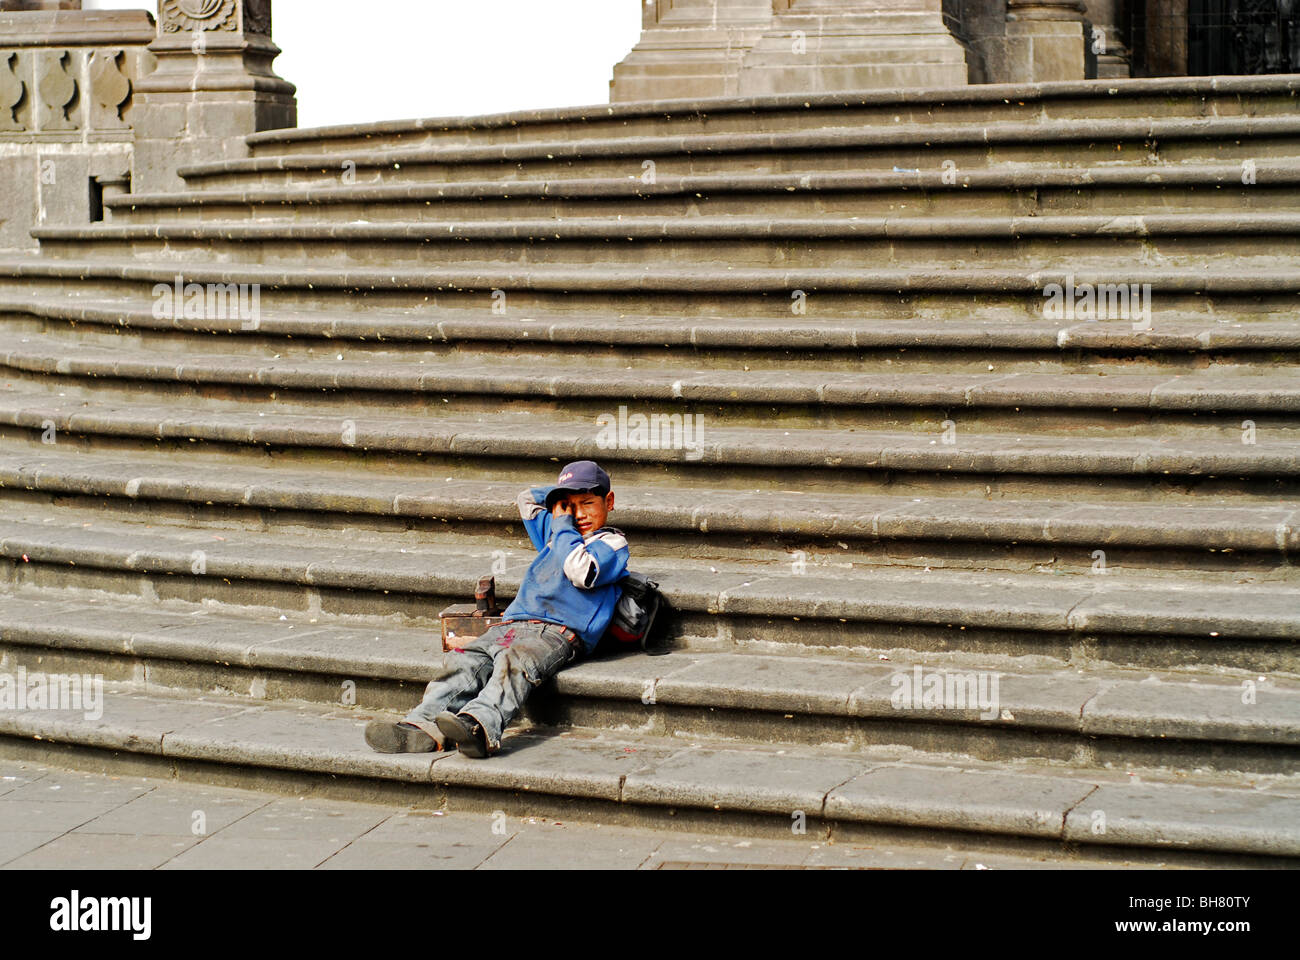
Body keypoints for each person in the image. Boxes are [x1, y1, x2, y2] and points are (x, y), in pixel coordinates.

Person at [364, 460, 629, 758]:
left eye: (587, 503)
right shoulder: (556, 530)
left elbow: (580, 571)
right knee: (464, 661)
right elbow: (526, 499)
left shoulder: (612, 543)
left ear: (609, 501)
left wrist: (563, 524)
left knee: (514, 662)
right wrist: (557, 499)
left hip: (557, 632)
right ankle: (424, 726)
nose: (578, 513)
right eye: (569, 505)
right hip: (512, 624)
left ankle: (478, 727)